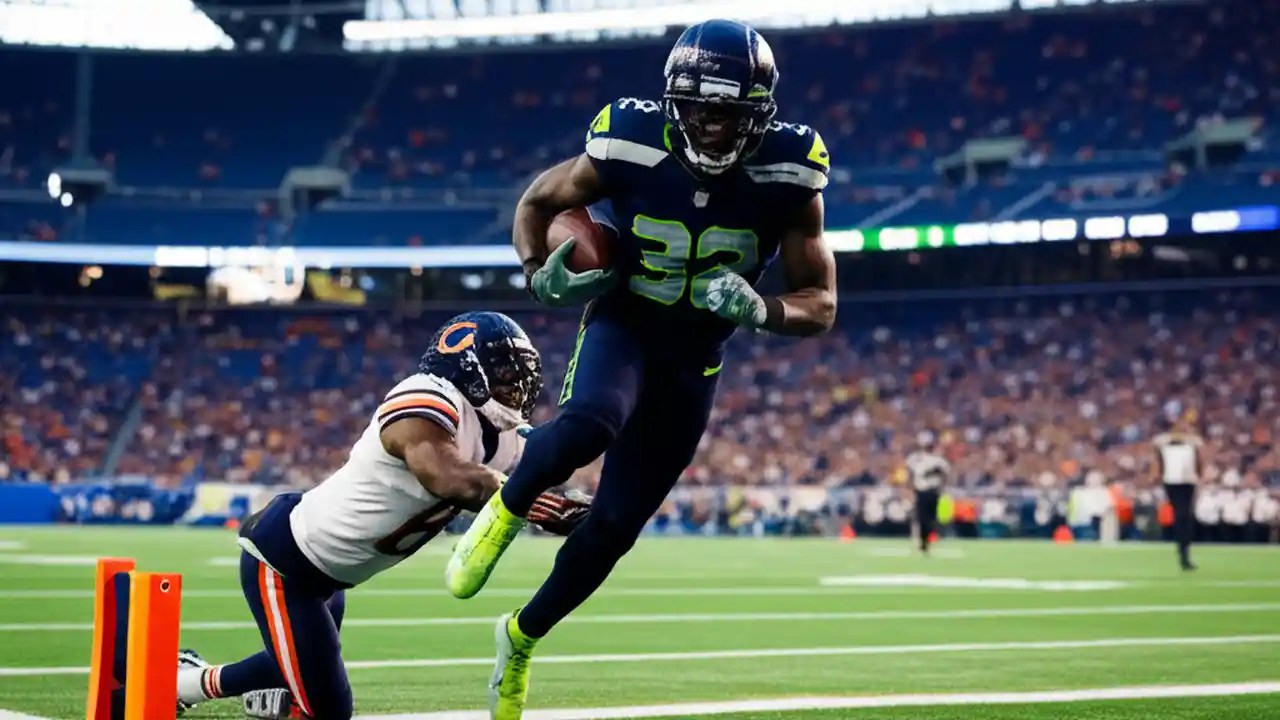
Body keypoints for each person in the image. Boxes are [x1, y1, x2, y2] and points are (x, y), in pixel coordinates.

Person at [445, 19, 837, 719]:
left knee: (615, 526)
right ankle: (502, 513)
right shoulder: (628, 138)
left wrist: (764, 308)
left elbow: (822, 302)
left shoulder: (791, 169)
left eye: (730, 113)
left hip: (696, 358)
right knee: (590, 422)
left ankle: (521, 639)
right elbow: (538, 201)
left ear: (760, 113)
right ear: (672, 102)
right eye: (700, 109)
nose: (712, 126)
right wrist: (537, 273)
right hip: (625, 323)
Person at [172, 312, 589, 720]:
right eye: (503, 371)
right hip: (286, 563)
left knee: (307, 661)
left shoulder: (503, 436)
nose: (516, 384)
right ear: (467, 365)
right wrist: (534, 506)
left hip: (330, 576)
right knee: (330, 708)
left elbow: (555, 456)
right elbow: (449, 477)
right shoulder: (426, 397)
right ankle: (184, 684)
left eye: (520, 373)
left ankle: (188, 679)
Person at [1153, 418, 1204, 571]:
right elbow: (1157, 444)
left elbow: (1198, 453)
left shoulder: (1191, 443)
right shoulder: (1165, 444)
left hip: (1187, 481)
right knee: (1181, 515)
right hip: (1172, 481)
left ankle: (1184, 550)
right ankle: (1183, 551)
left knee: (1185, 516)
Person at [905, 433, 949, 554]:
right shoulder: (916, 458)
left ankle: (927, 539)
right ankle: (923, 540)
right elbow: (910, 474)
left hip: (933, 491)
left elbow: (944, 475)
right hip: (922, 491)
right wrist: (910, 489)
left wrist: (941, 488)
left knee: (931, 517)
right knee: (922, 517)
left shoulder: (938, 460)